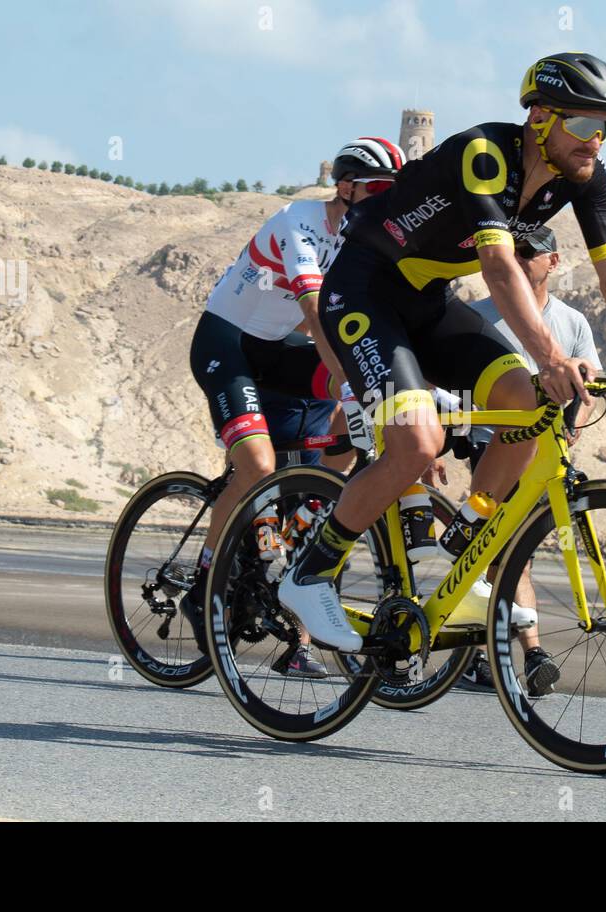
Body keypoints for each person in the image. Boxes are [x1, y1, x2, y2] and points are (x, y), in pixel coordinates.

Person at [279, 51, 606, 659]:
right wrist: (550, 354)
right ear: (540, 117)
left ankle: (464, 551)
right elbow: (497, 264)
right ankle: (309, 575)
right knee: (418, 443)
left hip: (426, 303)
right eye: (585, 125)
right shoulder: (484, 154)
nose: (597, 140)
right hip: (363, 293)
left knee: (525, 406)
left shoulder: (586, 178)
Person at [180, 137, 407, 676]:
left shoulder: (365, 237)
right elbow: (316, 313)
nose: (382, 201)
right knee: (256, 465)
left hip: (281, 350)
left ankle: (299, 524)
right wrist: (353, 386)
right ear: (345, 188)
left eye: (391, 194)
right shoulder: (297, 222)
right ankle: (205, 582)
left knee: (354, 434)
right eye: (375, 190)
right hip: (228, 342)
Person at [454, 225, 602, 695]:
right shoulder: (475, 315)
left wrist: (580, 415)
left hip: (545, 447)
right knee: (497, 547)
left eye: (528, 253)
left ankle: (501, 651)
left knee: (513, 553)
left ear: (552, 262)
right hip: (488, 440)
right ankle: (519, 651)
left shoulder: (572, 322)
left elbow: (588, 381)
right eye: (511, 252)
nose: (517, 260)